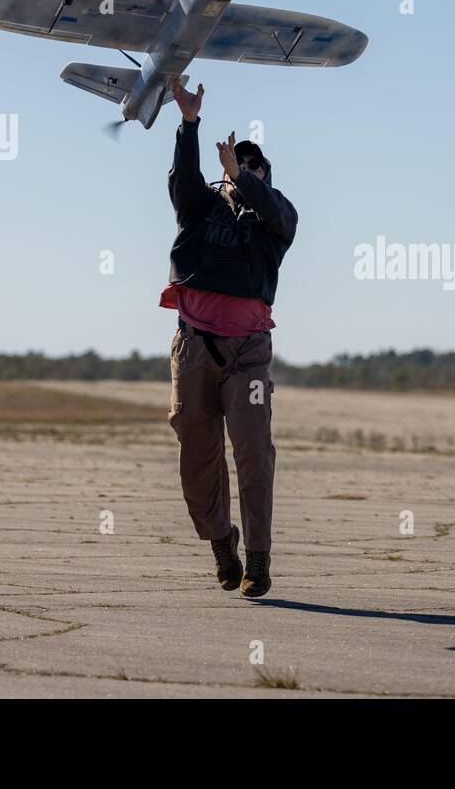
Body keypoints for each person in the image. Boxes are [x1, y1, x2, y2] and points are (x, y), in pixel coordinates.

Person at [159, 78, 298, 598]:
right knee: (197, 454)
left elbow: (276, 208)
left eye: (255, 166)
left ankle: (258, 561)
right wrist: (189, 124)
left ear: (266, 177)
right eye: (238, 164)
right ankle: (223, 543)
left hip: (248, 356)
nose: (244, 170)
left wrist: (248, 179)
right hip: (193, 348)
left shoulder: (277, 218)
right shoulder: (201, 207)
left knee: (254, 451)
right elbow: (182, 180)